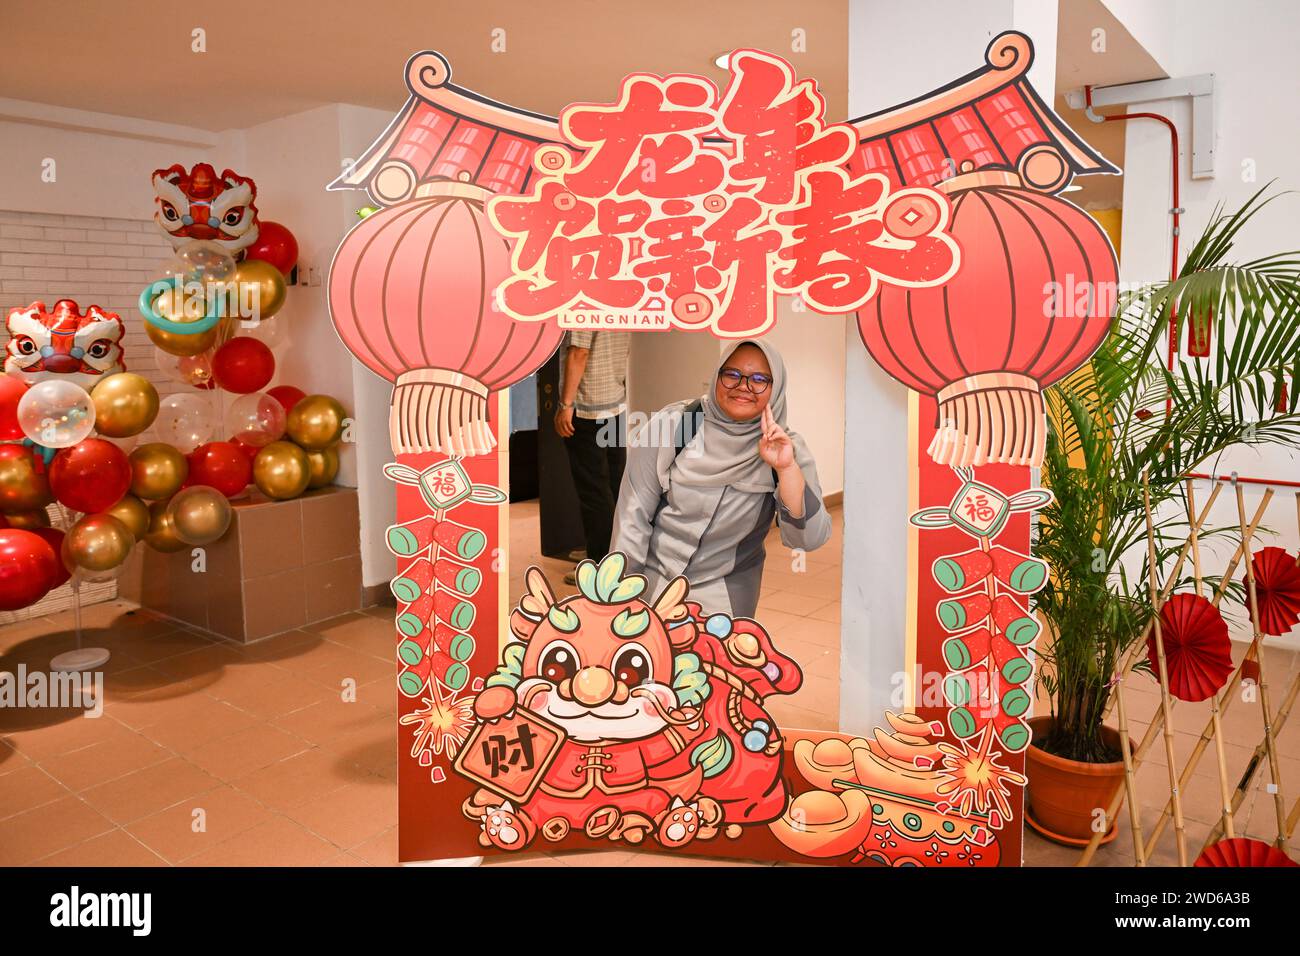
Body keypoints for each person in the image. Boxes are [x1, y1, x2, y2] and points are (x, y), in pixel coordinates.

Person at [611, 338, 831, 617]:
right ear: (717, 376)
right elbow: (633, 517)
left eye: (760, 379)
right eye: (732, 374)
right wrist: (619, 596)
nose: (743, 386)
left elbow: (808, 539)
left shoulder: (786, 448)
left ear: (776, 390)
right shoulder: (674, 425)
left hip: (723, 602)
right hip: (653, 589)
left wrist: (786, 469)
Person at [554, 328, 632, 575]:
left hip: (588, 409)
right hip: (615, 403)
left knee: (594, 491)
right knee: (614, 485)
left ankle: (602, 567)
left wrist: (565, 405)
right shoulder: (618, 299)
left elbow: (579, 352)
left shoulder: (583, 303)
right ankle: (611, 552)